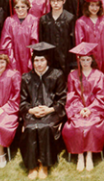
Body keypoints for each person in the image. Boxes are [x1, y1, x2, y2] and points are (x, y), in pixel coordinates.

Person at [19, 42, 67, 180]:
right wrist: (31, 110)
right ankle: (32, 165)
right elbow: (23, 102)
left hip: (51, 112)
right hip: (32, 112)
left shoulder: (56, 75)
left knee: (44, 127)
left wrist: (49, 109)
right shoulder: (26, 78)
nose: (39, 64)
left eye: (42, 60)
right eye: (36, 60)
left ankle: (44, 165)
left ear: (47, 61)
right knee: (31, 128)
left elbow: (62, 99)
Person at [63, 42, 104, 172]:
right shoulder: (73, 76)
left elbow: (101, 96)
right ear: (79, 60)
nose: (86, 62)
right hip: (77, 110)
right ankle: (80, 156)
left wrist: (90, 109)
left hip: (94, 110)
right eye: (83, 60)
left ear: (92, 60)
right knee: (77, 125)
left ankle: (89, 155)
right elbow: (72, 95)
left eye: (88, 59)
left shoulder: (99, 75)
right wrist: (80, 109)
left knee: (91, 125)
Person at [73, 0, 104, 74]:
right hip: (89, 57)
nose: (94, 8)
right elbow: (80, 43)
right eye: (92, 5)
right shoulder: (81, 22)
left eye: (97, 5)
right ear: (87, 6)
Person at [0, 0, 39, 74]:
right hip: (14, 57)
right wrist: (11, 60)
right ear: (13, 8)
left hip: (28, 55)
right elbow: (6, 43)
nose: (20, 9)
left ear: (28, 7)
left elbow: (35, 41)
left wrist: (31, 59)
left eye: (23, 7)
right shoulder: (9, 21)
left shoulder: (34, 20)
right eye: (17, 7)